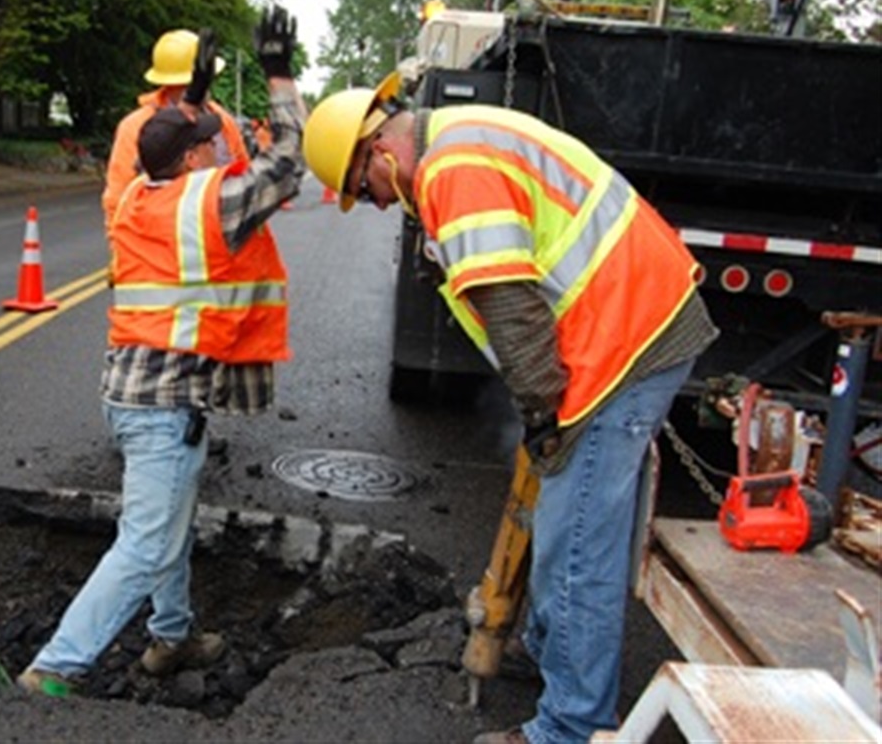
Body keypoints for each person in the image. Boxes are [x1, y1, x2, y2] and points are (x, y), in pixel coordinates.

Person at [302, 75, 717, 743]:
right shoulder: (460, 140)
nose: (376, 204)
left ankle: (571, 726)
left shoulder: (451, 171)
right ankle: (551, 654)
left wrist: (543, 412)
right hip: (628, 323)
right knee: (567, 517)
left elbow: (512, 309)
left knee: (577, 543)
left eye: (365, 188)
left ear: (378, 151)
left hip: (624, 338)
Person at [19, 7, 304, 694]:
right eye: (204, 139)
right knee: (146, 541)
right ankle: (54, 672)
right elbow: (287, 163)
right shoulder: (209, 206)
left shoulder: (134, 200)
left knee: (168, 514)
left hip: (129, 392)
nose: (215, 145)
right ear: (189, 158)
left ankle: (171, 639)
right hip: (166, 405)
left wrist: (199, 102)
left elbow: (186, 162)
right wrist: (278, 75)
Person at [100, 28, 250, 229]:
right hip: (162, 243)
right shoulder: (135, 127)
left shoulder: (222, 120)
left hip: (218, 236)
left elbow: (243, 172)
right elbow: (119, 199)